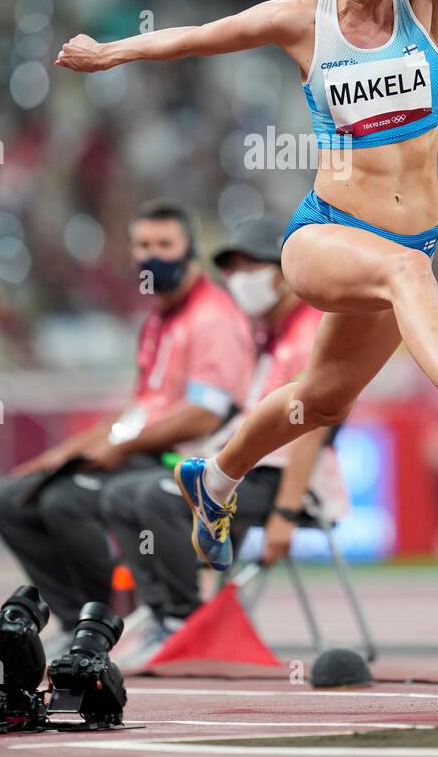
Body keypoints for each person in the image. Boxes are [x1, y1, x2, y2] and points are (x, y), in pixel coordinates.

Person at [55, 0, 438, 570]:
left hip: (412, 239)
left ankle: (212, 480)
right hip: (327, 236)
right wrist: (108, 52)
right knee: (407, 275)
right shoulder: (303, 22)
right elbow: (196, 36)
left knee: (323, 397)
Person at [0, 200, 255, 646]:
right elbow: (140, 406)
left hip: (184, 460)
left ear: (190, 249)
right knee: (11, 503)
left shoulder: (213, 317)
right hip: (139, 449)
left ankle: (104, 622)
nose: (153, 254)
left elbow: (206, 413)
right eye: (143, 245)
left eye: (165, 244)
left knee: (63, 501)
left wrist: (120, 448)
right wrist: (66, 452)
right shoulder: (158, 320)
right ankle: (77, 623)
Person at [102, 216, 331, 669]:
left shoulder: (309, 334)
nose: (238, 280)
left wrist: (285, 512)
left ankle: (189, 624)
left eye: (252, 267)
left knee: (156, 496)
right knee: (121, 494)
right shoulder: (268, 334)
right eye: (232, 270)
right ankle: (166, 615)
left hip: (285, 480)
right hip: (239, 468)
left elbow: (313, 430)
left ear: (284, 271)